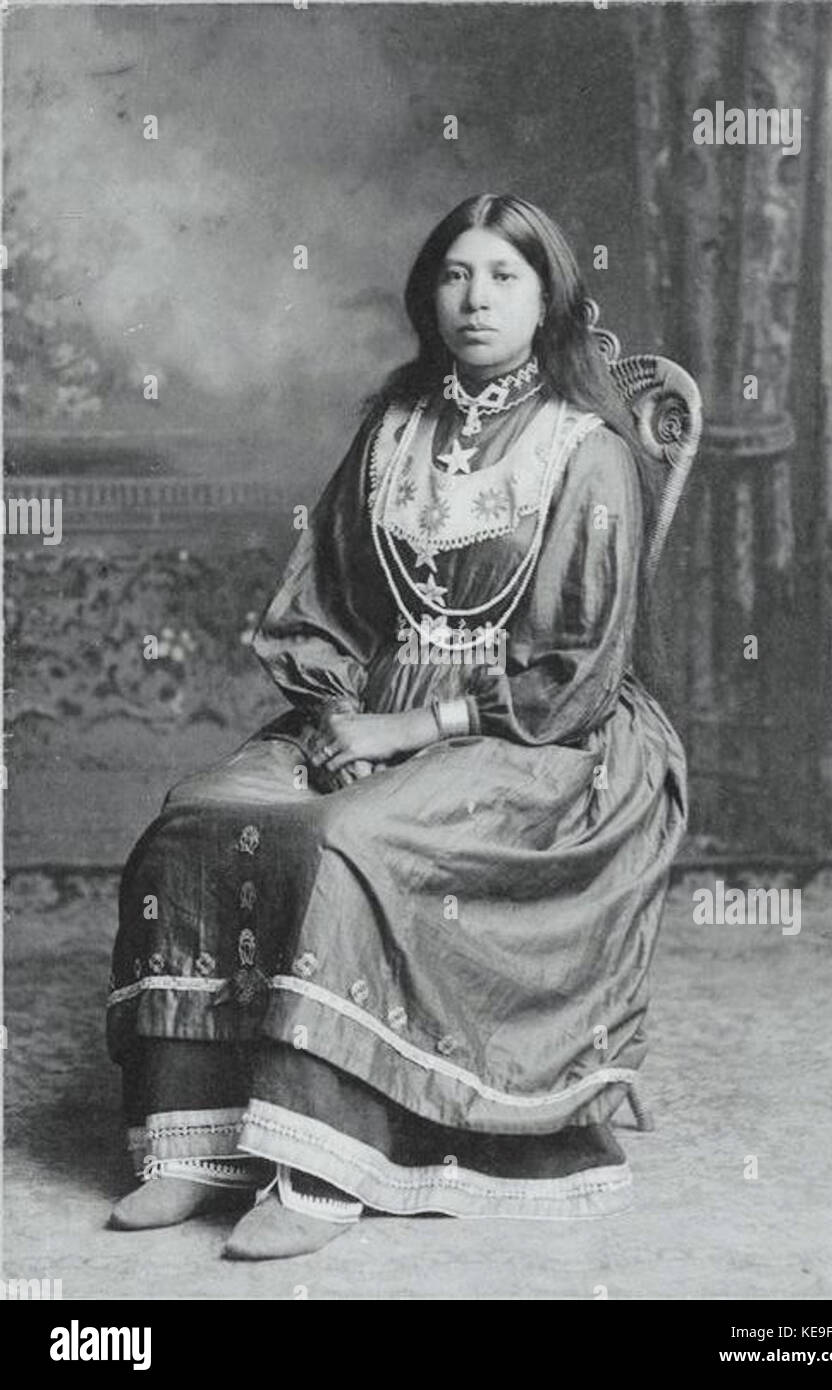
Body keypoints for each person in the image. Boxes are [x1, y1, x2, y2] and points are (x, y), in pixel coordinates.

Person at [106, 193, 688, 1260]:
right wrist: (335, 712)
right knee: (198, 816)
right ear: (429, 293)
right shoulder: (395, 430)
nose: (476, 299)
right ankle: (195, 1140)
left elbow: (579, 669)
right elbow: (321, 599)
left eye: (504, 277)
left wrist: (409, 729)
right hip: (369, 711)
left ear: (548, 295)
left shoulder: (584, 451)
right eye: (456, 275)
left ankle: (323, 1162)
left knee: (350, 841)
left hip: (535, 737)